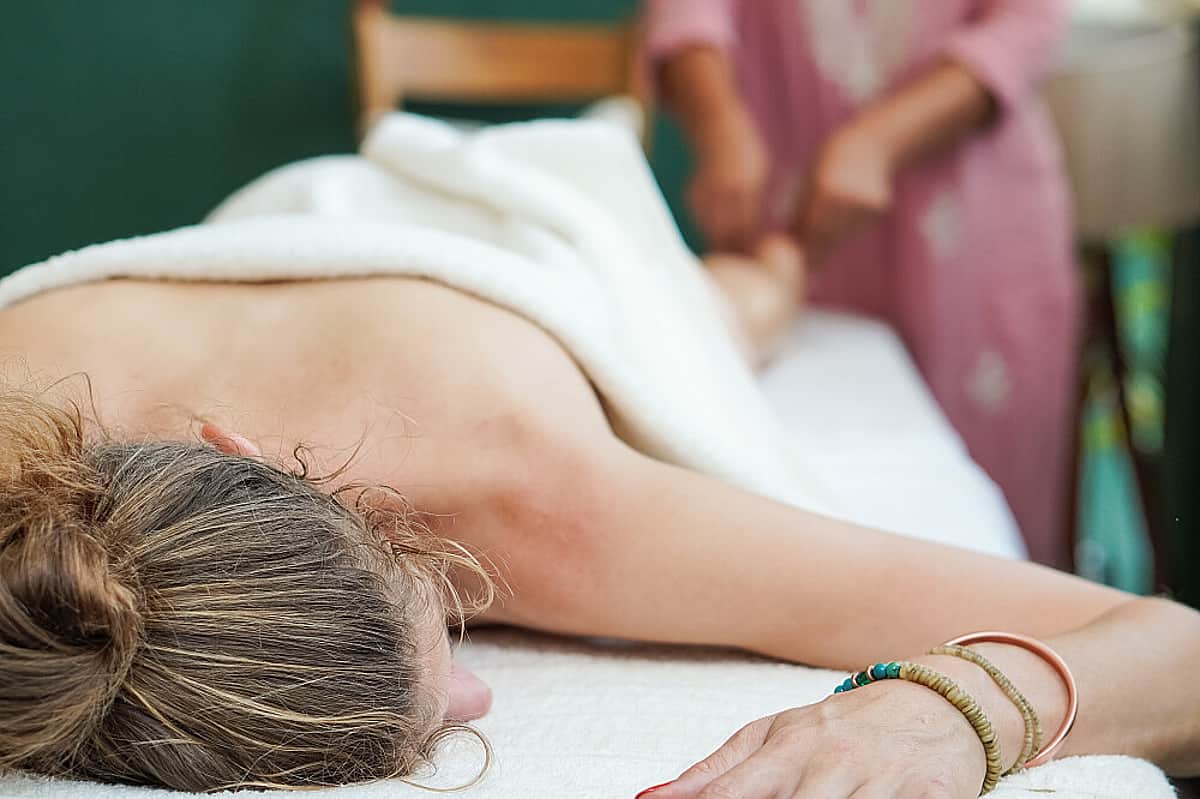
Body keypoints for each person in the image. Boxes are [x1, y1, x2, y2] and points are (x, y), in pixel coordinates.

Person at [0, 254, 1196, 798]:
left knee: (747, 299)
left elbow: (1177, 647)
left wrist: (960, 706)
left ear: (258, 458)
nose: (476, 697)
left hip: (527, 239)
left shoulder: (554, 509)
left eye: (449, 629)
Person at [645, 0, 1081, 567]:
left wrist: (880, 139)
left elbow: (1029, 22)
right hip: (797, 219)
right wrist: (719, 121)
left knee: (991, 545)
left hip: (976, 237)